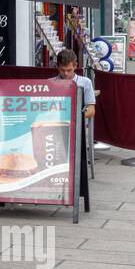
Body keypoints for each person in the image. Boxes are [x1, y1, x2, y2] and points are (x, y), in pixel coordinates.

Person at [50, 49, 95, 206]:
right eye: (62, 70)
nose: (66, 74)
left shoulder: (85, 82)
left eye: (69, 70)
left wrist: (77, 116)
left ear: (75, 66)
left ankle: (74, 186)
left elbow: (91, 109)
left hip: (76, 128)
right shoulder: (51, 83)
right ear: (57, 67)